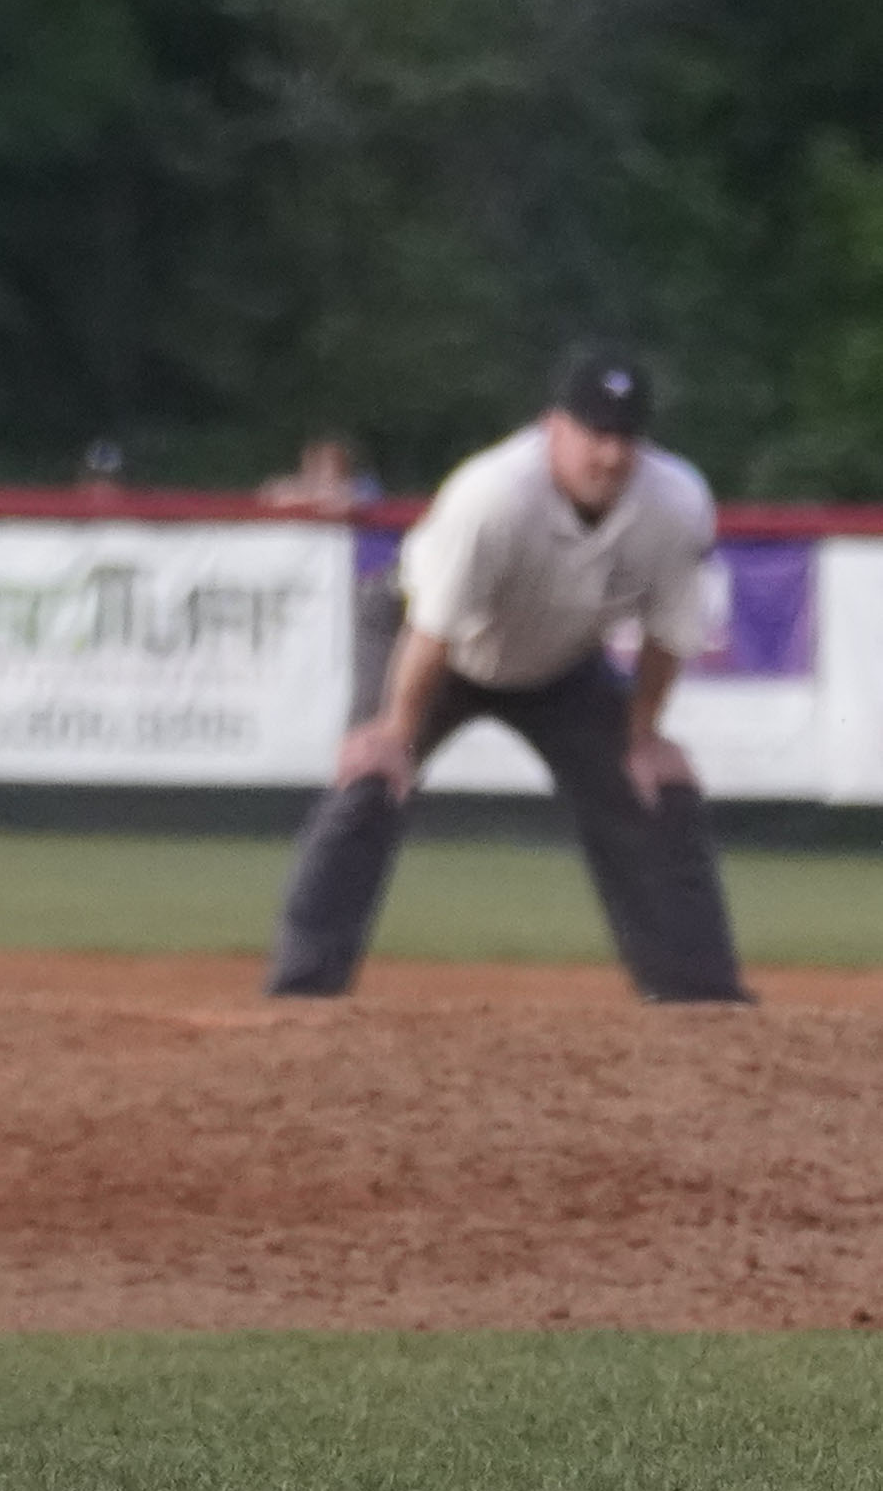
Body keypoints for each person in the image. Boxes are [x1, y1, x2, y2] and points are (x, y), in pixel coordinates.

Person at [265, 345, 751, 1003]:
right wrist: (396, 731)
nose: (610, 455)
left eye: (625, 438)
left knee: (650, 794)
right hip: (428, 646)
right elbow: (432, 629)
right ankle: (300, 995)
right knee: (370, 779)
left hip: (560, 662)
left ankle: (703, 1004)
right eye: (594, 434)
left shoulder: (675, 502)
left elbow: (667, 636)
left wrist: (642, 738)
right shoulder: (492, 494)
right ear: (554, 427)